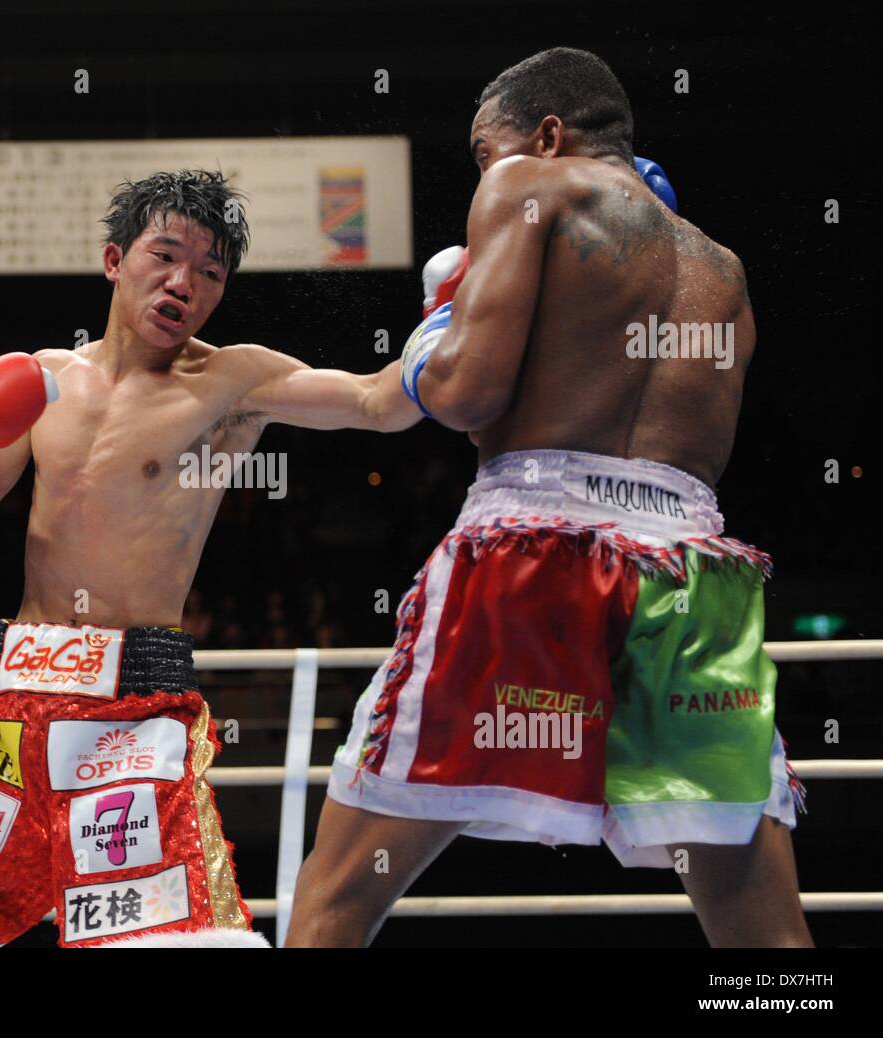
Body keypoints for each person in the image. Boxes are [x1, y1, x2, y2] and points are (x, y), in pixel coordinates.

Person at [287, 48, 813, 949]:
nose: (487, 179)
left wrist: (432, 338)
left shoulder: (530, 185)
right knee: (758, 930)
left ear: (547, 134)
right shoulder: (722, 271)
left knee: (339, 896)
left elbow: (468, 395)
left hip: (534, 549)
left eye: (487, 154)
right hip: (693, 576)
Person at [0, 169, 425, 948]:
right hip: (9, 699)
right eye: (167, 255)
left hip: (130, 708)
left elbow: (377, 404)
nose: (185, 282)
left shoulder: (230, 382)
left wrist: (451, 319)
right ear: (115, 259)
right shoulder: (39, 382)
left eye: (211, 273)